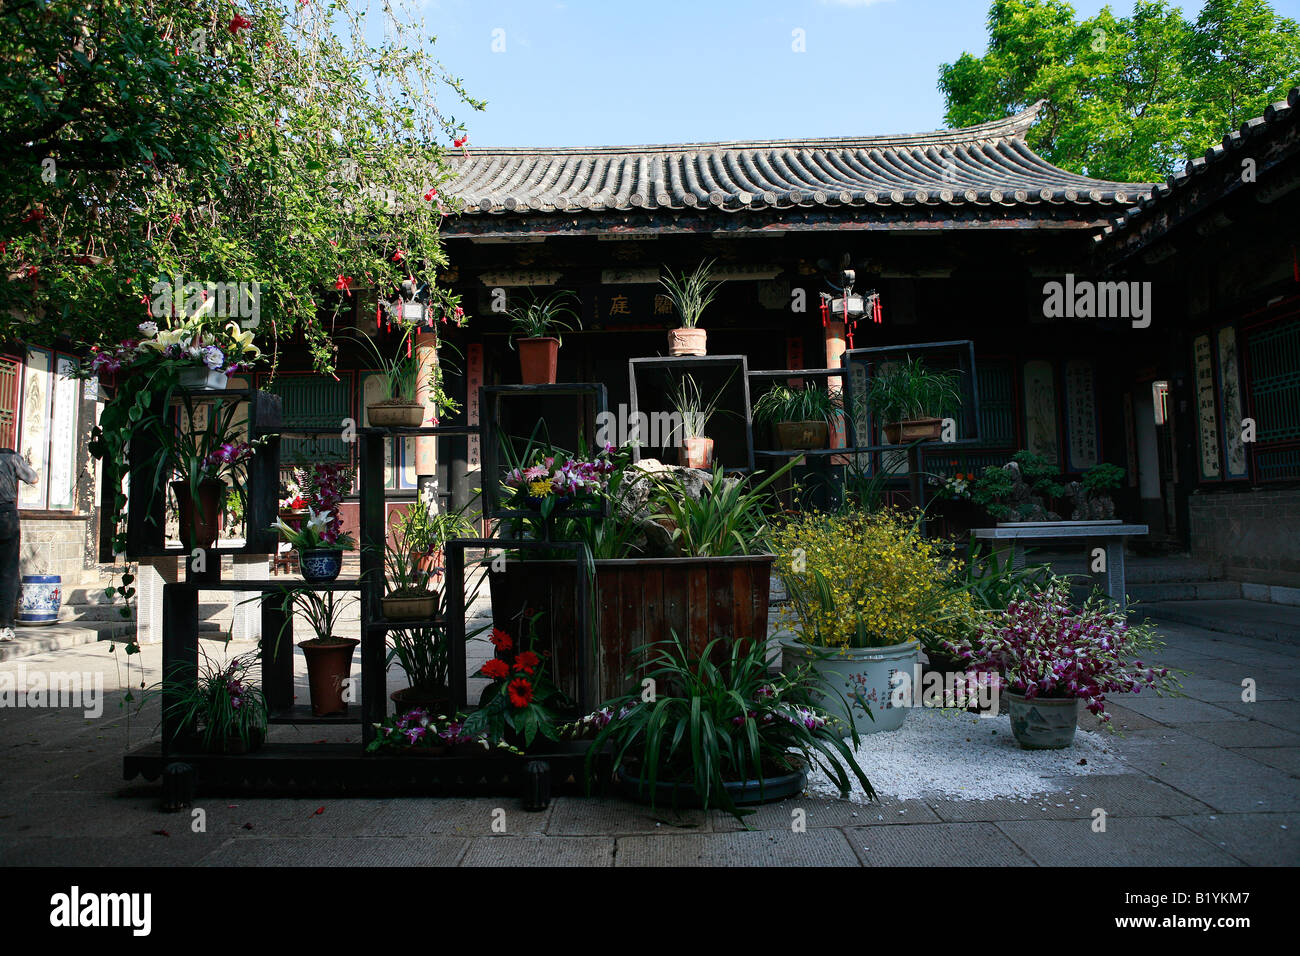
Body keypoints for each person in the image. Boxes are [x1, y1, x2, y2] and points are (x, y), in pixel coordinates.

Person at [0, 448, 39, 642]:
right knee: (7, 571)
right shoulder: (10, 457)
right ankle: (4, 626)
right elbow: (33, 478)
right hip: (5, 516)